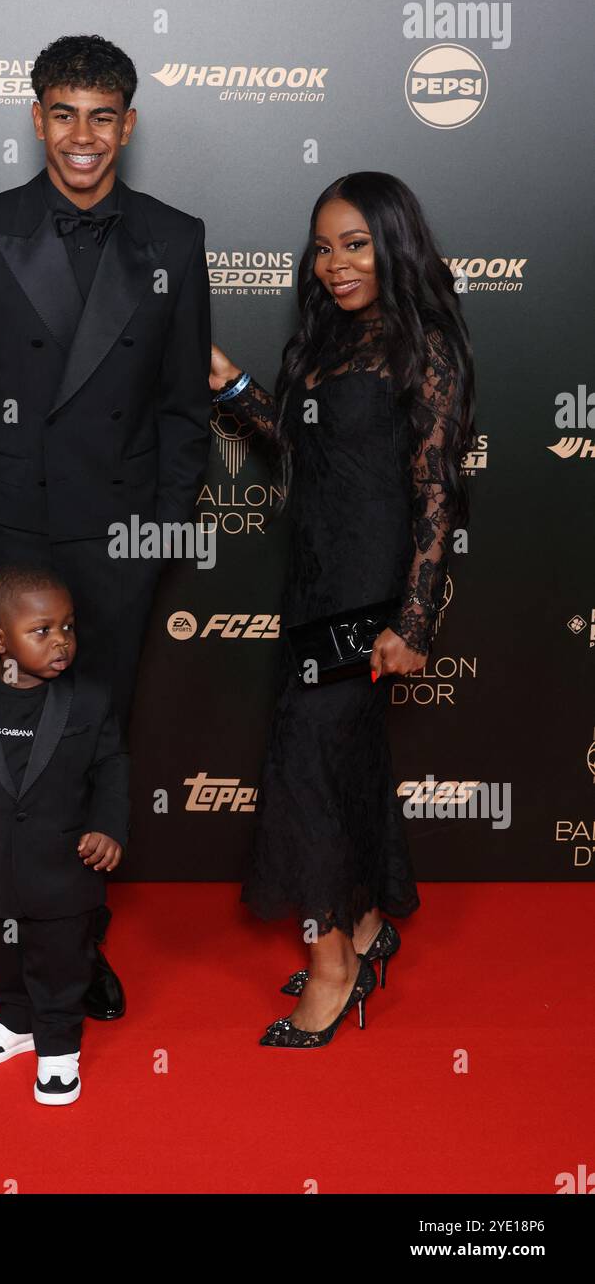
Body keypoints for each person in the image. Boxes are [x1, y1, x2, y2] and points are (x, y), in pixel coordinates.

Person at [0, 34, 211, 1029]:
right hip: (8, 547)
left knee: (84, 753)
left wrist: (154, 546)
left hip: (112, 552)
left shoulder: (174, 241)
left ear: (128, 124)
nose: (82, 137)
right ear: (35, 118)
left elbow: (184, 413)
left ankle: (73, 943)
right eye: (63, 113)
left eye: (102, 116)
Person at [209, 171, 475, 1049]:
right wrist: (235, 387)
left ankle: (333, 967)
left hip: (370, 596)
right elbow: (305, 448)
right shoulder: (321, 342)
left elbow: (436, 492)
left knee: (312, 770)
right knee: (343, 760)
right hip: (312, 584)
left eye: (355, 244)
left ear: (393, 243)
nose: (334, 264)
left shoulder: (423, 345)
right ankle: (365, 928)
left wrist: (416, 620)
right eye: (323, 247)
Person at [0, 563, 129, 1105]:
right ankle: (15, 1023)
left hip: (63, 865)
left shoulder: (91, 699)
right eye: (42, 631)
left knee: (59, 959)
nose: (61, 642)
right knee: (3, 954)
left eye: (68, 627)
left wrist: (108, 827)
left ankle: (59, 1048)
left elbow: (112, 768)